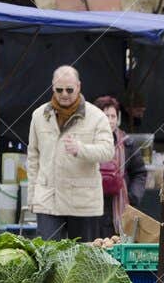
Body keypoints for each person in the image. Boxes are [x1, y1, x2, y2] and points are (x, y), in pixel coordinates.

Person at [27, 64, 114, 241]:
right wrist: (32, 197)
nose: (64, 94)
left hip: (83, 203)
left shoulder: (97, 116)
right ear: (52, 88)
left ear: (79, 87)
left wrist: (80, 149)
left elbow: (107, 151)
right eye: (59, 90)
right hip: (47, 201)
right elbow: (33, 157)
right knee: (48, 259)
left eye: (69, 89)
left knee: (81, 262)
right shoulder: (38, 116)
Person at [94, 95, 148, 235]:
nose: (110, 121)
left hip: (119, 206)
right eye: (106, 116)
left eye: (113, 116)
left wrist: (133, 195)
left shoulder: (127, 143)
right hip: (94, 207)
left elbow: (139, 172)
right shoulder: (88, 142)